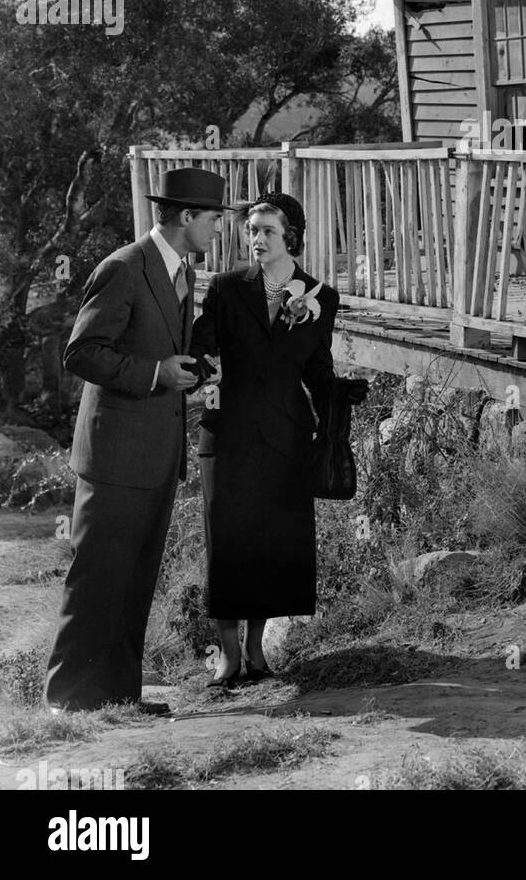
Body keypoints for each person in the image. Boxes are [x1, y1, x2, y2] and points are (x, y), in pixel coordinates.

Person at [45, 168, 231, 714]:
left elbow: (165, 344)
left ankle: (119, 697)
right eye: (215, 218)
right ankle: (68, 700)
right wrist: (155, 374)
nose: (220, 228)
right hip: (114, 454)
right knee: (97, 577)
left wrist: (194, 368)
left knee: (134, 579)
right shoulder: (124, 268)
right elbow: (81, 353)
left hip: (157, 453)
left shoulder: (183, 271)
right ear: (187, 217)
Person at [190, 192, 339, 687]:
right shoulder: (227, 288)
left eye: (266, 231)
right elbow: (203, 344)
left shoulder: (321, 296)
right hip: (228, 434)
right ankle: (228, 657)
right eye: (251, 230)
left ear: (290, 236)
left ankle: (257, 653)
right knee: (229, 546)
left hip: (285, 437)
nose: (255, 239)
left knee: (271, 548)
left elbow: (317, 367)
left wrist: (337, 397)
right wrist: (201, 362)